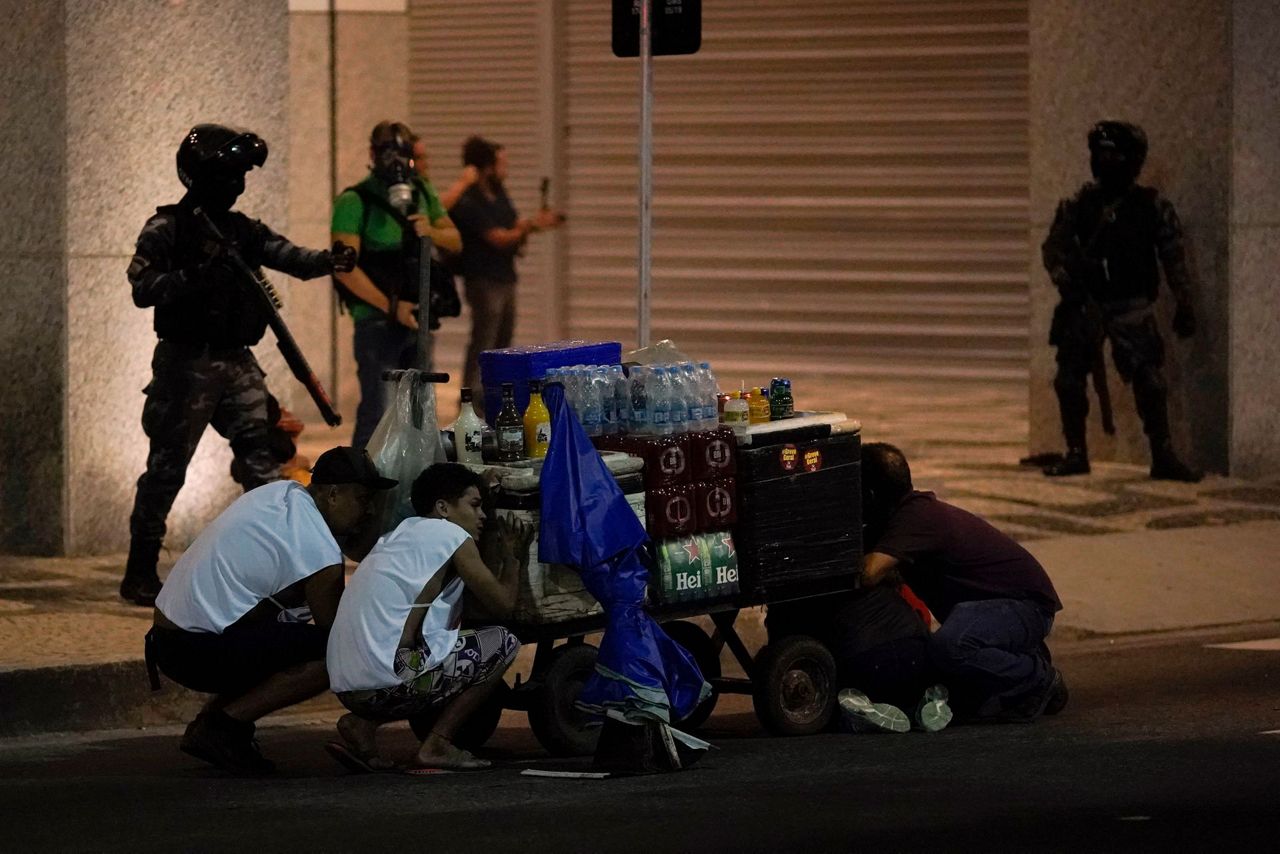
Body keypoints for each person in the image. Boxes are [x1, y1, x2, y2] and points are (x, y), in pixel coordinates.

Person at [122, 124, 358, 607]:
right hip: (186, 364)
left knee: (265, 464)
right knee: (167, 470)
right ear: (204, 176)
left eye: (242, 174)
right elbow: (143, 289)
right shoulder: (168, 228)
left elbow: (288, 256)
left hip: (238, 362)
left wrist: (331, 261)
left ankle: (280, 567)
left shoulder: (241, 230)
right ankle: (140, 572)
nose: (239, 184)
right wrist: (195, 277)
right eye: (231, 174)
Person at [145, 446, 395, 775]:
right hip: (193, 649)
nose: (369, 512)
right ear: (333, 495)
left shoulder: (280, 493)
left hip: (167, 639)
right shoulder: (319, 549)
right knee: (332, 654)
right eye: (363, 500)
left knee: (279, 634)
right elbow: (337, 632)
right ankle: (223, 727)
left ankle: (210, 725)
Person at [325, 463, 532, 772]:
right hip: (385, 684)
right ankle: (437, 744)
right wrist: (513, 557)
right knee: (502, 643)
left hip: (349, 686)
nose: (483, 516)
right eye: (475, 506)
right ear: (443, 508)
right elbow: (502, 607)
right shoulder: (450, 536)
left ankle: (362, 726)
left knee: (440, 647)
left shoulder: (399, 535)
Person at [858, 442, 1068, 723]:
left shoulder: (916, 518)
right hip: (996, 609)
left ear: (870, 495)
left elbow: (869, 572)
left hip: (1027, 607)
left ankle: (1039, 678)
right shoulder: (905, 515)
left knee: (951, 647)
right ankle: (1018, 661)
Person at [1041, 120, 1200, 481]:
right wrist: (1065, 277)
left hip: (1131, 305)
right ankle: (1076, 452)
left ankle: (1162, 454)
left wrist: (1184, 305)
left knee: (1150, 381)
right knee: (1068, 378)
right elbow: (1053, 249)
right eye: (1101, 153)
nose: (1105, 160)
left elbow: (1174, 259)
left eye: (1114, 153)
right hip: (1086, 305)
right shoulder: (1079, 204)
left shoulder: (1152, 206)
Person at [331, 121, 462, 449]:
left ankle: (416, 488)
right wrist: (392, 307)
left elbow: (455, 240)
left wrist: (429, 229)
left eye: (403, 154)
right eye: (387, 153)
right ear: (373, 155)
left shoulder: (421, 192)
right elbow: (344, 270)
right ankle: (362, 490)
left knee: (420, 414)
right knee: (378, 413)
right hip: (376, 322)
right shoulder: (354, 200)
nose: (397, 163)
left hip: (417, 318)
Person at [448, 135, 564, 401]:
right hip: (483, 278)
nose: (505, 170)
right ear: (487, 167)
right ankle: (472, 397)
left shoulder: (498, 194)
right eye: (501, 164)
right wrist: (531, 225)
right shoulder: (470, 201)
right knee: (484, 341)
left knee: (502, 340)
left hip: (504, 275)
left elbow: (510, 226)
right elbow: (496, 236)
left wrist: (527, 228)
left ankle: (496, 395)